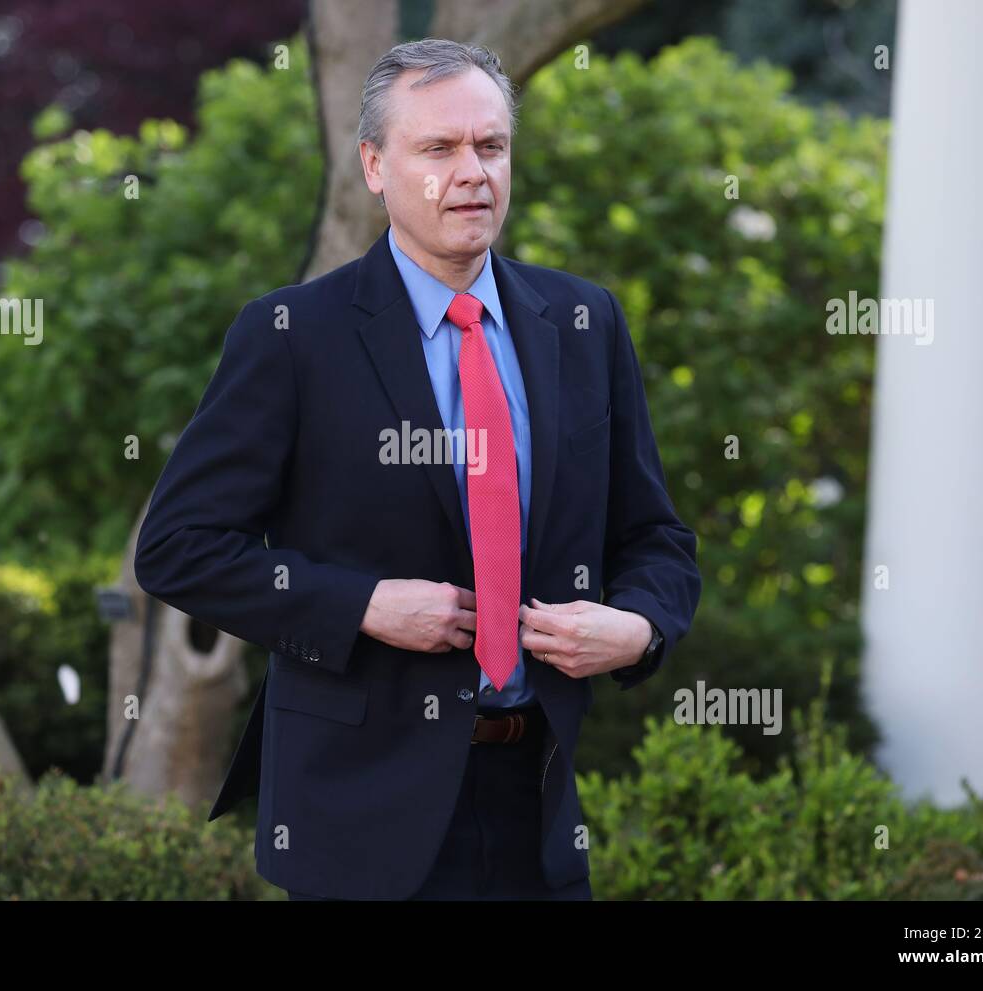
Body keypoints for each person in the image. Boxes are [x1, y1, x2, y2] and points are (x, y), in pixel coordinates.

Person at [133, 38, 701, 901]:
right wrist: (361, 605)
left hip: (537, 808)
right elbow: (177, 546)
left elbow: (655, 536)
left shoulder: (585, 322)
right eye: (438, 148)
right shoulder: (293, 337)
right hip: (358, 819)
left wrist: (638, 629)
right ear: (374, 165)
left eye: (491, 146)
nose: (472, 172)